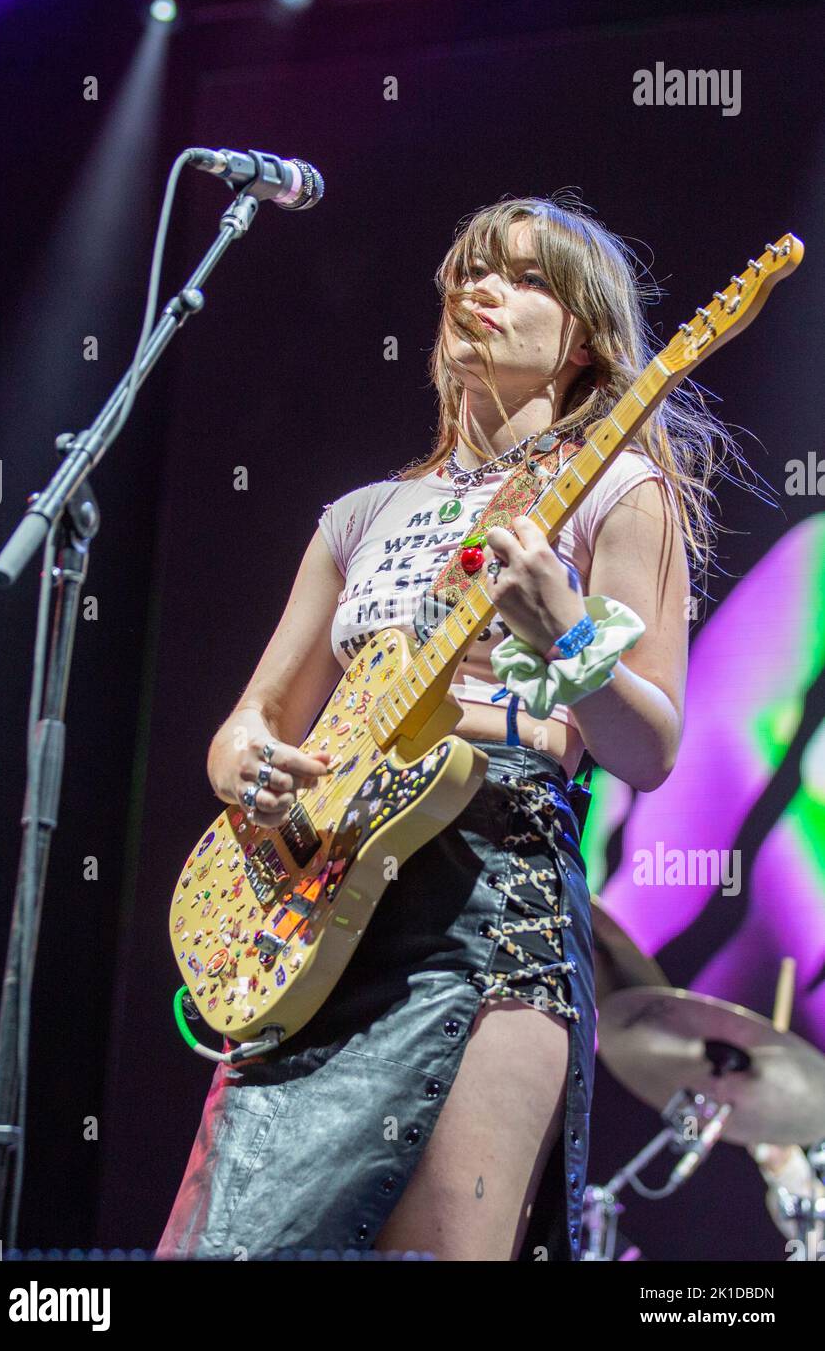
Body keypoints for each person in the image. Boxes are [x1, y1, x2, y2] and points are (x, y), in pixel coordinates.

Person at [157, 193, 722, 1262]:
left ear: (582, 338)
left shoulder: (620, 490)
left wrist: (565, 633)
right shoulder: (363, 514)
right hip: (314, 902)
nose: (476, 289)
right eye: (466, 270)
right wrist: (251, 771)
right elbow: (249, 719)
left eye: (518, 277)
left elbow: (646, 747)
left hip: (485, 913)